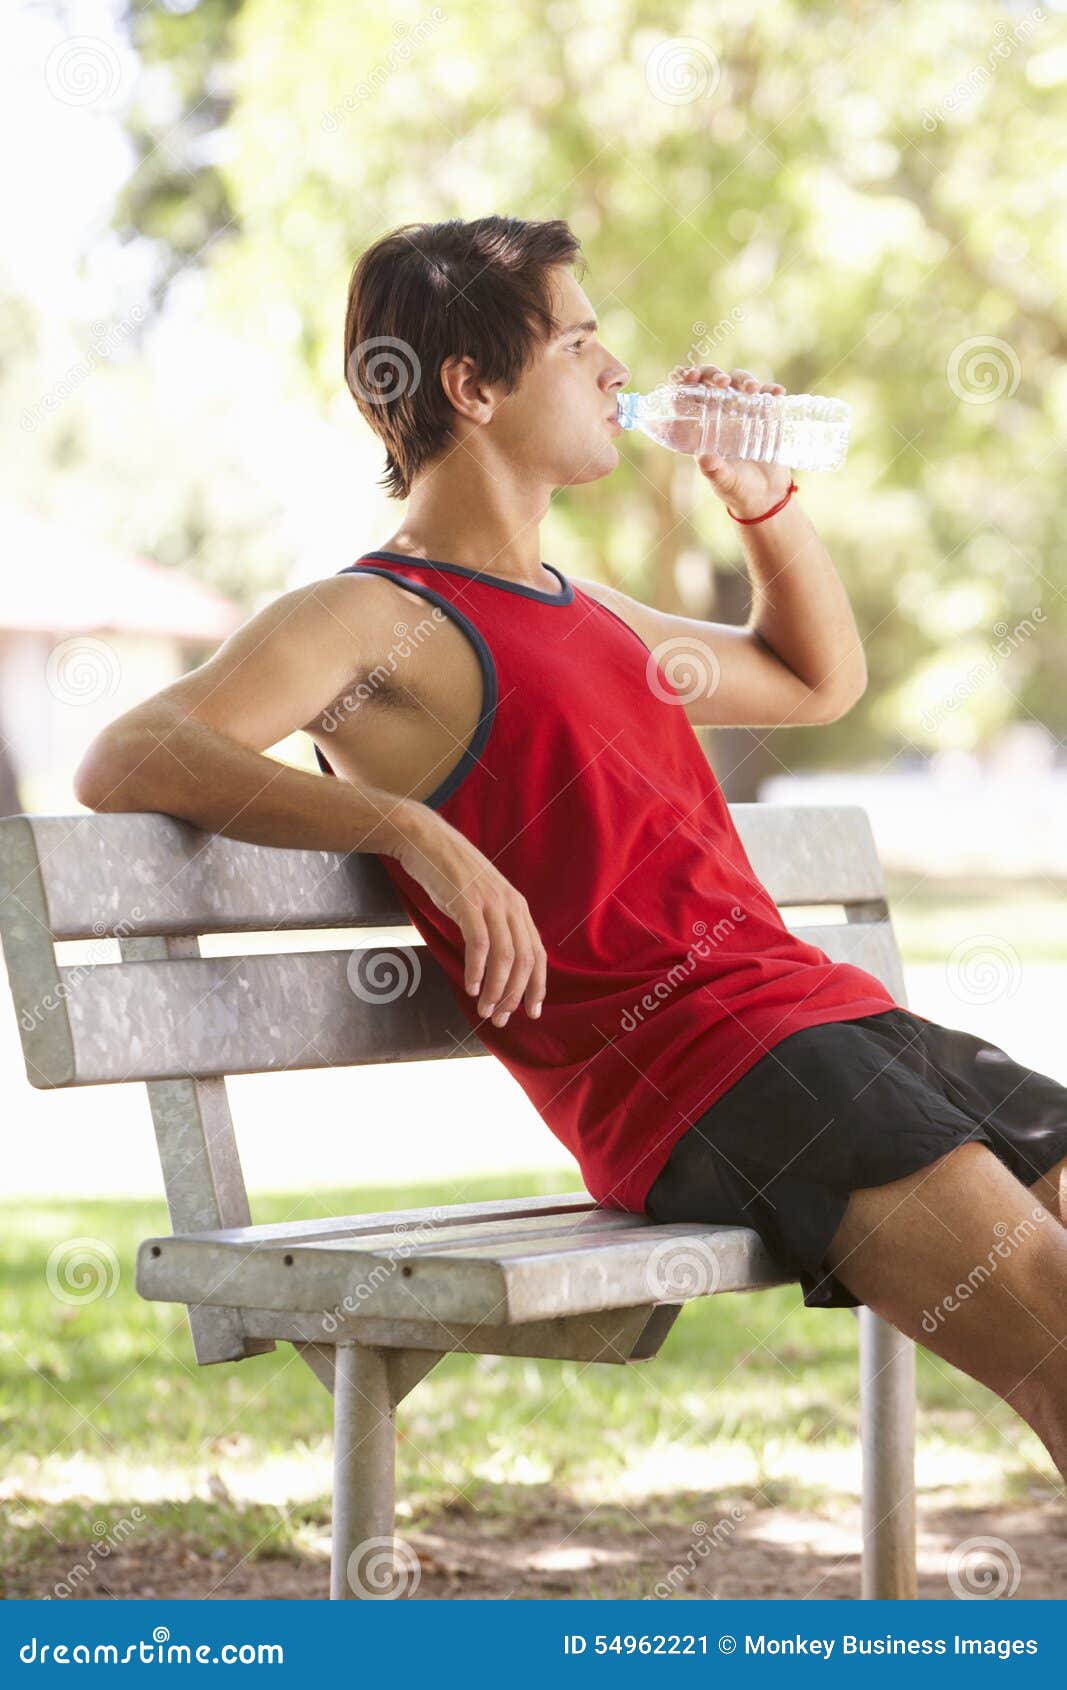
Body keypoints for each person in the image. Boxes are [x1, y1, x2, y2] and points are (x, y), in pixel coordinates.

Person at [74, 214, 1067, 1480]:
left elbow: (810, 678)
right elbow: (131, 754)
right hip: (708, 1075)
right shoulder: (376, 616)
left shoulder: (583, 604)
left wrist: (758, 501)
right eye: (581, 341)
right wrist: (402, 824)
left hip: (824, 1023)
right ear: (472, 388)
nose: (615, 370)